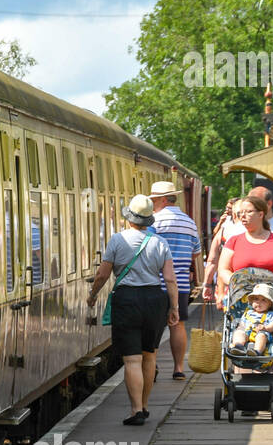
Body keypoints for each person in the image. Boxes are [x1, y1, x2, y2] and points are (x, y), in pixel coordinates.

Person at [86, 194, 179, 426]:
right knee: (150, 356)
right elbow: (170, 280)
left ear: (129, 218)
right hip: (154, 300)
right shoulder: (160, 243)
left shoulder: (117, 240)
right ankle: (145, 405)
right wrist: (174, 307)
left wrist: (93, 295)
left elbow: (103, 274)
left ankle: (136, 409)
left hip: (126, 299)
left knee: (132, 360)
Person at [150, 180, 203, 379]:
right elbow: (196, 253)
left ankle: (151, 367)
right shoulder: (189, 222)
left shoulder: (155, 221)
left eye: (154, 200)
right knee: (177, 324)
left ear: (163, 200)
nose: (153, 204)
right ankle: (179, 368)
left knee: (154, 327)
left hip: (156, 282)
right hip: (180, 283)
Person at [217, 194, 273, 297]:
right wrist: (235, 282)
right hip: (240, 298)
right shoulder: (233, 241)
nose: (243, 216)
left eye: (248, 212)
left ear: (260, 214)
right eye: (241, 212)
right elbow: (223, 269)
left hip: (272, 298)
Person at [202, 198, 243, 303]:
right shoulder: (263, 232)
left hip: (228, 283)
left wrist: (207, 284)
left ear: (234, 214)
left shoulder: (225, 231)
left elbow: (212, 260)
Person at [231, 283, 273, 355]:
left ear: (269, 304)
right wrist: (240, 328)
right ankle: (239, 347)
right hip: (247, 332)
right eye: (256, 299)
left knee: (261, 337)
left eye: (263, 300)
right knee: (239, 333)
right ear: (252, 301)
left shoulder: (271, 314)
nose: (258, 302)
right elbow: (242, 324)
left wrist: (266, 328)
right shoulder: (248, 312)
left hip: (263, 333)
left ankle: (257, 351)